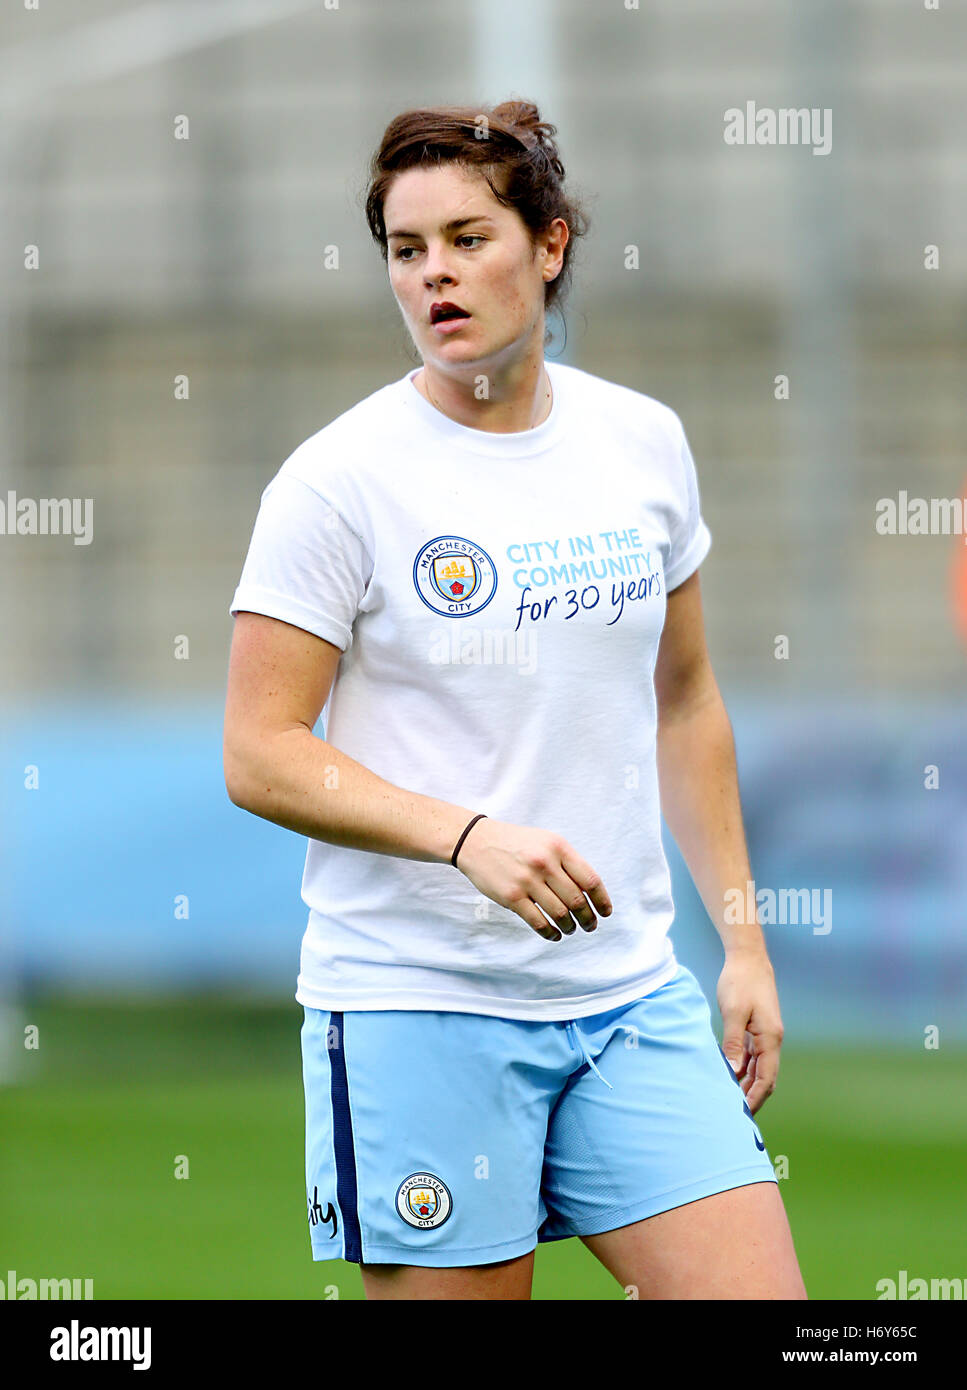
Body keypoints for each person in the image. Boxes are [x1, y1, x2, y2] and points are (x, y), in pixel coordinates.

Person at [223, 99, 807, 1302]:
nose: (434, 273)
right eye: (405, 248)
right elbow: (259, 751)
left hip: (627, 998)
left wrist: (740, 943)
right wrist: (466, 838)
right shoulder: (336, 483)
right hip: (417, 1001)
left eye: (467, 238)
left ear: (549, 244)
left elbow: (685, 702)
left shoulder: (642, 442)